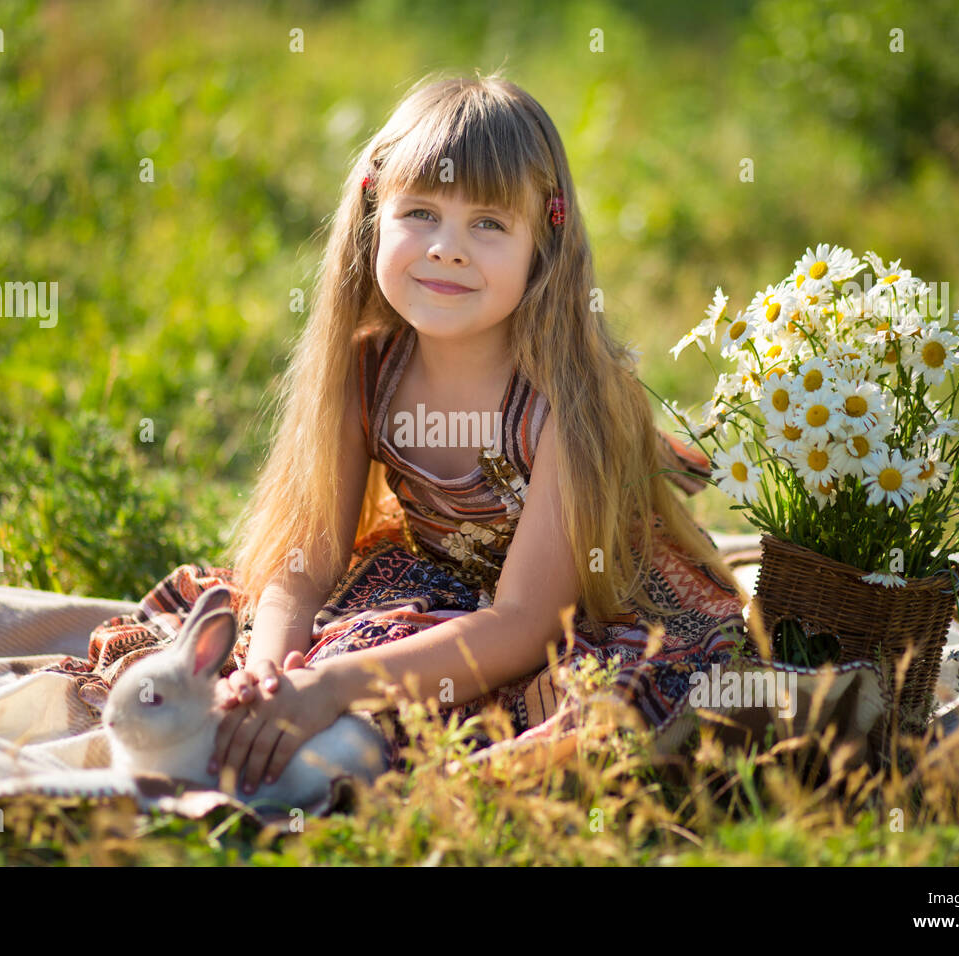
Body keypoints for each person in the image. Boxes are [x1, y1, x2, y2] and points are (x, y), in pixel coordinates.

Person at [41, 70, 771, 796]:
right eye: (420, 212)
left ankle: (337, 755)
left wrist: (330, 688)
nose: (448, 248)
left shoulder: (567, 400)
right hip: (443, 587)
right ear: (373, 213)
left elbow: (523, 624)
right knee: (307, 638)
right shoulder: (367, 366)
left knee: (584, 695)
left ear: (543, 243)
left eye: (489, 224)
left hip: (573, 611)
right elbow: (306, 557)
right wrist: (270, 671)